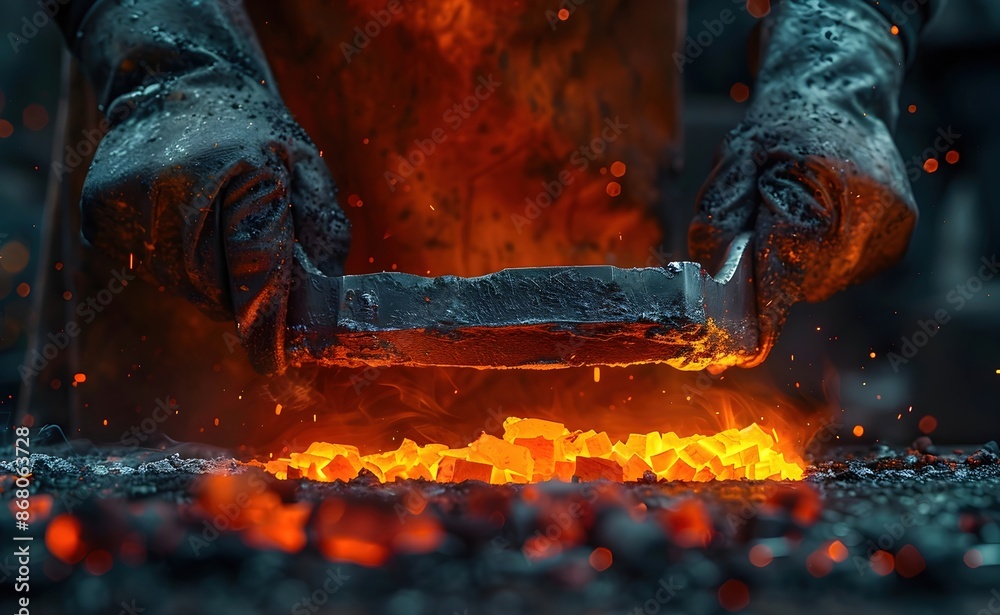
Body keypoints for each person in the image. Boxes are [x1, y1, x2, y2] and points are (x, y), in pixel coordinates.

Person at [20, 0, 941, 447]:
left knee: (579, 549)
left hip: (574, 127)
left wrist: (838, 64)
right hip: (226, 151)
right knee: (186, 556)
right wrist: (176, 70)